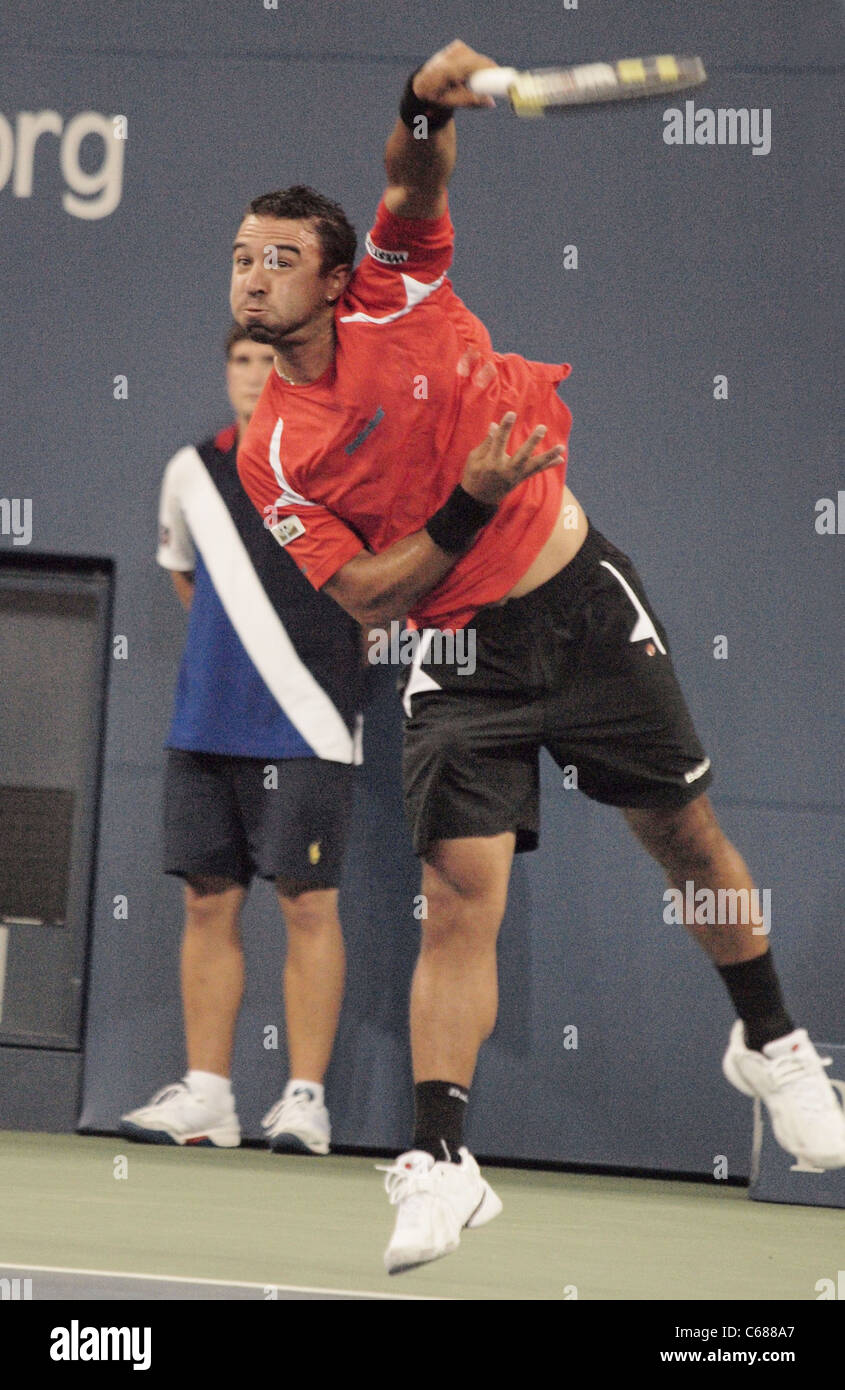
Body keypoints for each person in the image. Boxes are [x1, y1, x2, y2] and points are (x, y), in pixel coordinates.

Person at [232, 40, 845, 1271]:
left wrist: (420, 98)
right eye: (241, 260)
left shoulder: (397, 284)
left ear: (338, 277)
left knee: (686, 840)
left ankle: (769, 1040)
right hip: (456, 647)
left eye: (279, 261)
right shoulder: (274, 448)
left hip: (573, 595)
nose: (251, 281)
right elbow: (361, 593)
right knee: (459, 896)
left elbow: (411, 177)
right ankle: (441, 1160)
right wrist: (459, 505)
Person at [119, 326, 363, 1156]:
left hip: (310, 721)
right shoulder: (190, 471)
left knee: (307, 902)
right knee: (206, 901)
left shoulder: (343, 466)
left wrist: (299, 661)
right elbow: (186, 575)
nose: (256, 375)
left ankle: (304, 1101)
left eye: (271, 361)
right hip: (204, 723)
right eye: (242, 361)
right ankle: (210, 1097)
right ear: (227, 371)